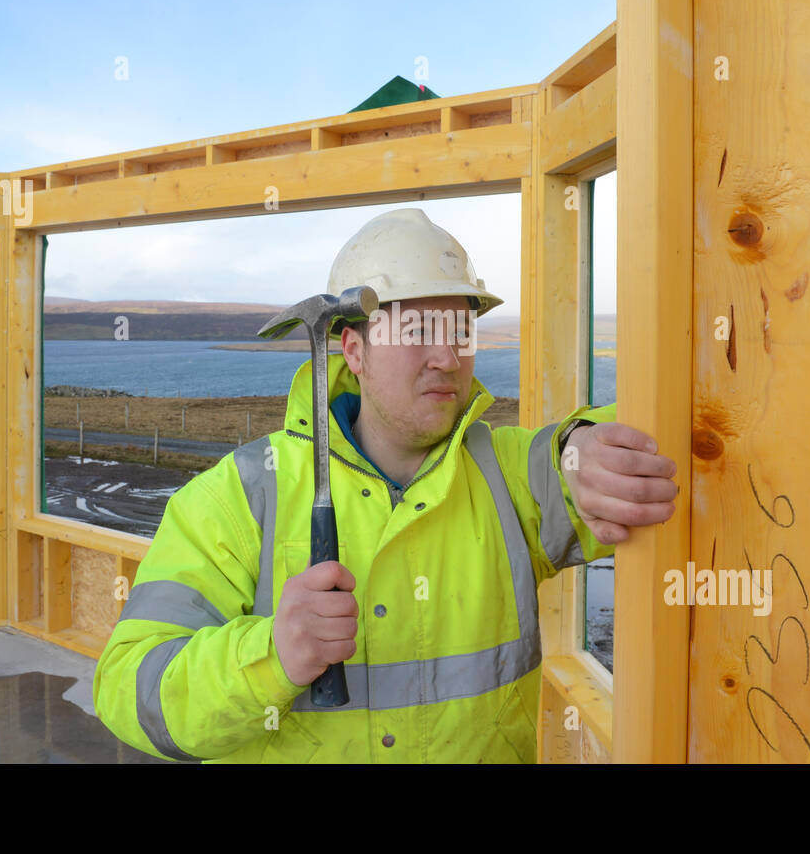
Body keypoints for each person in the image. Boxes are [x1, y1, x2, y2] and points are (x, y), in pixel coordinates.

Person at [92, 207, 677, 762]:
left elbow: (685, 434)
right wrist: (270, 656)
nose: (448, 357)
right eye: (420, 329)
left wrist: (586, 441)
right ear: (354, 350)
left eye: (461, 332)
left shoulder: (512, 474)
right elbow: (128, 690)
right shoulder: (240, 497)